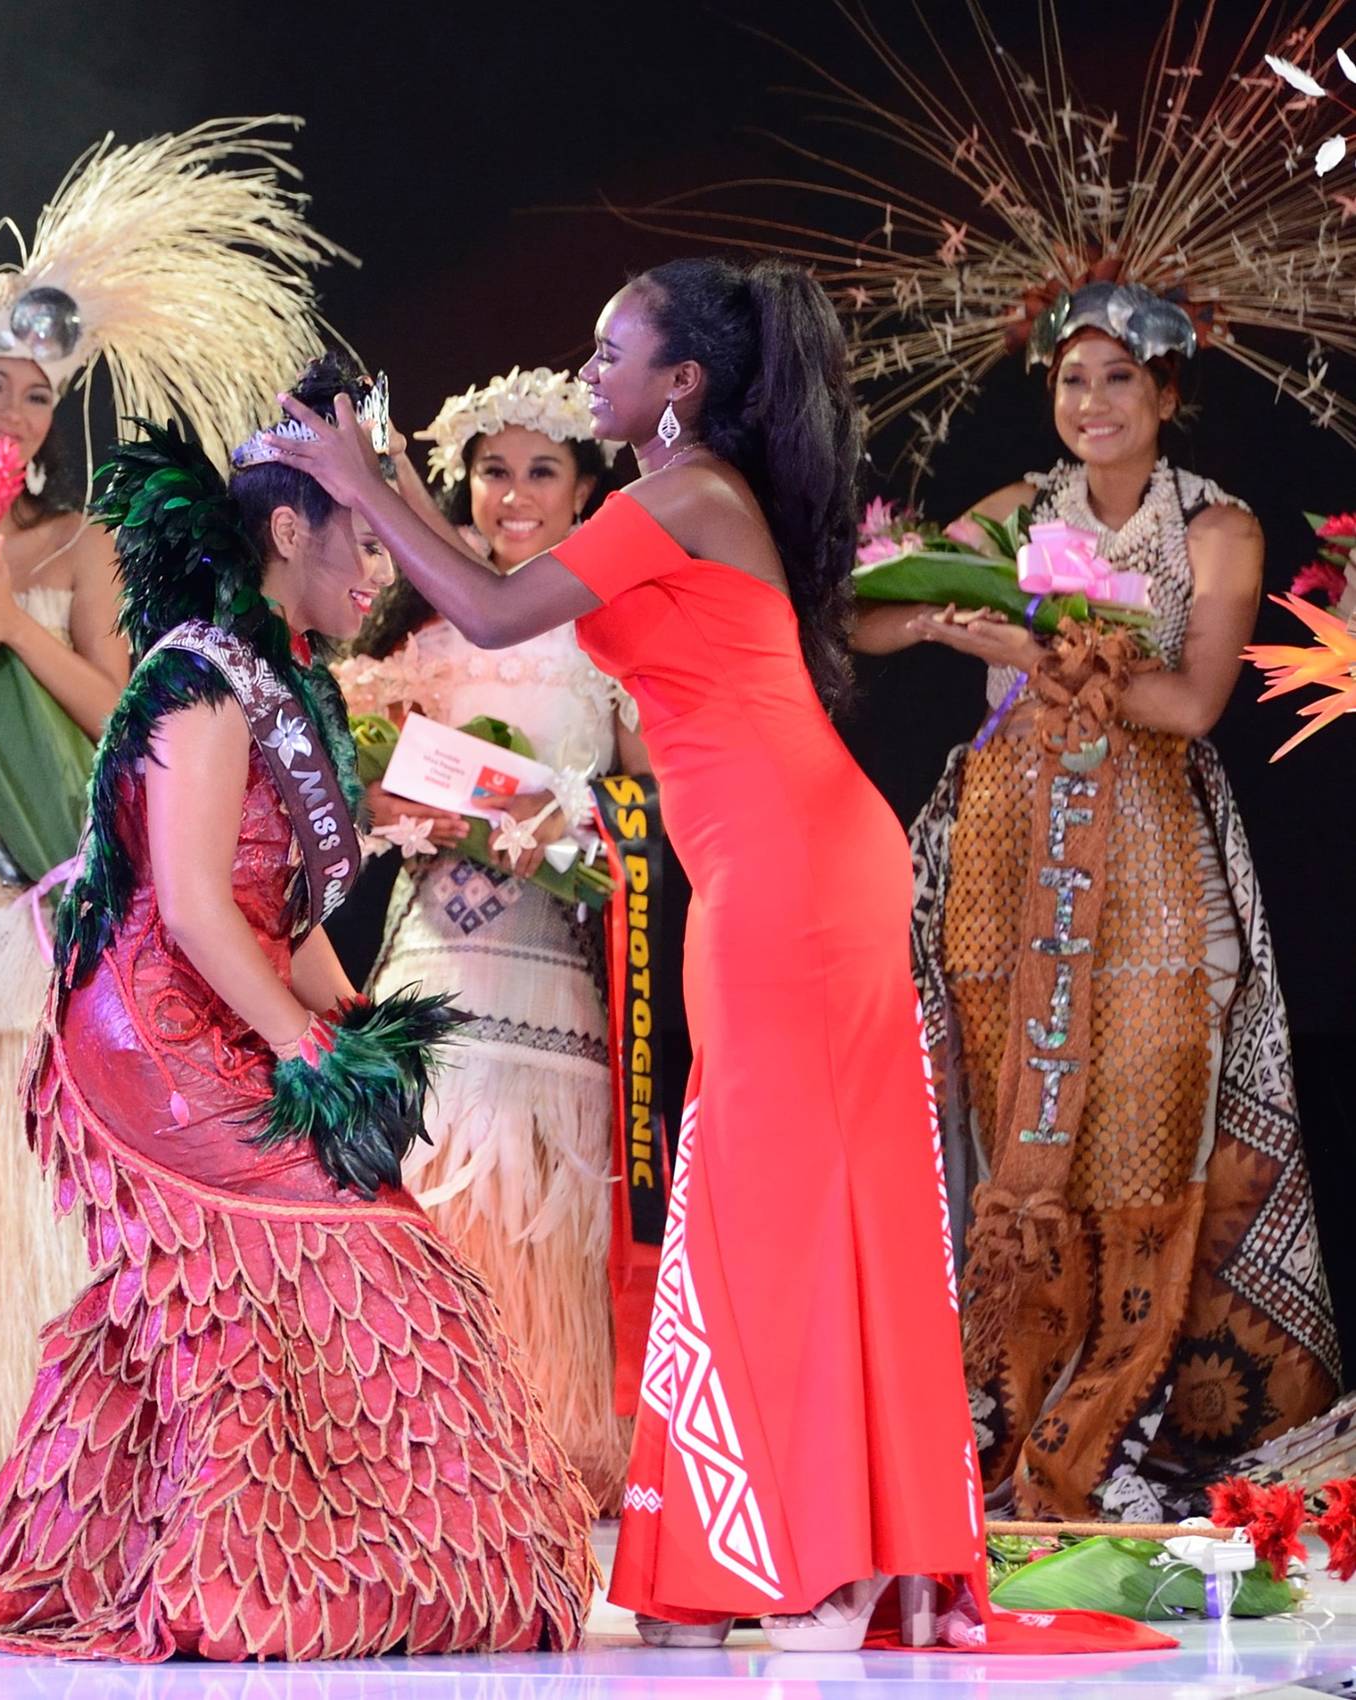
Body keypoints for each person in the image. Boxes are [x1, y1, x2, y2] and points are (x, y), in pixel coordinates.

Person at [0, 356, 598, 1661]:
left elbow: (277, 911)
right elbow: (184, 905)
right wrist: (305, 1048)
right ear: (289, 530)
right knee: (327, 1259)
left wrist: (350, 1021)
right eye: (363, 540)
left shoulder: (290, 678)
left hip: (230, 1001)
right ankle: (241, 1575)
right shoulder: (198, 679)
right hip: (150, 1032)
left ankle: (233, 1549)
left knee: (340, 1254)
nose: (383, 570)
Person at [269, 260, 987, 1652]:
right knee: (793, 1192)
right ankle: (832, 1554)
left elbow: (492, 609)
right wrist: (384, 476)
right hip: (776, 866)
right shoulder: (678, 495)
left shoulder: (689, 493)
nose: (588, 371)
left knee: (774, 1200)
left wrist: (358, 481)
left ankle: (807, 1560)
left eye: (612, 353)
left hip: (791, 869)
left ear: (682, 384)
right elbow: (487, 584)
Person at [0, 120, 342, 1536]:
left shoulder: (82, 542)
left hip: (32, 900)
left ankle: (20, 1449)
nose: (17, 414)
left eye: (41, 395)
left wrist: (13, 630)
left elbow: (122, 709)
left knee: (15, 1187)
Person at [855, 294, 1340, 1518]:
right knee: (1013, 1133)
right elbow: (860, 613)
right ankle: (1003, 1412)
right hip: (1002, 860)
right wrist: (938, 620)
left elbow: (1188, 704)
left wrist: (1035, 651)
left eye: (1118, 377)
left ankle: (1110, 1430)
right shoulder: (1015, 511)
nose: (1091, 402)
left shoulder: (1215, 526)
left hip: (1152, 861)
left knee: (1140, 1136)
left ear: (1167, 393)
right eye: (1072, 379)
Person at [337, 367, 642, 1511]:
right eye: (493, 471)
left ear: (584, 489)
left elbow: (655, 801)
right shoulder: (413, 623)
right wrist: (408, 809)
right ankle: (422, 1433)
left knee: (540, 1188)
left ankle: (543, 1435)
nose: (514, 495)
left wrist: (568, 825)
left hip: (552, 964)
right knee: (431, 1170)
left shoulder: (611, 632)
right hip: (430, 948)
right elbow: (354, 779)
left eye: (540, 471)